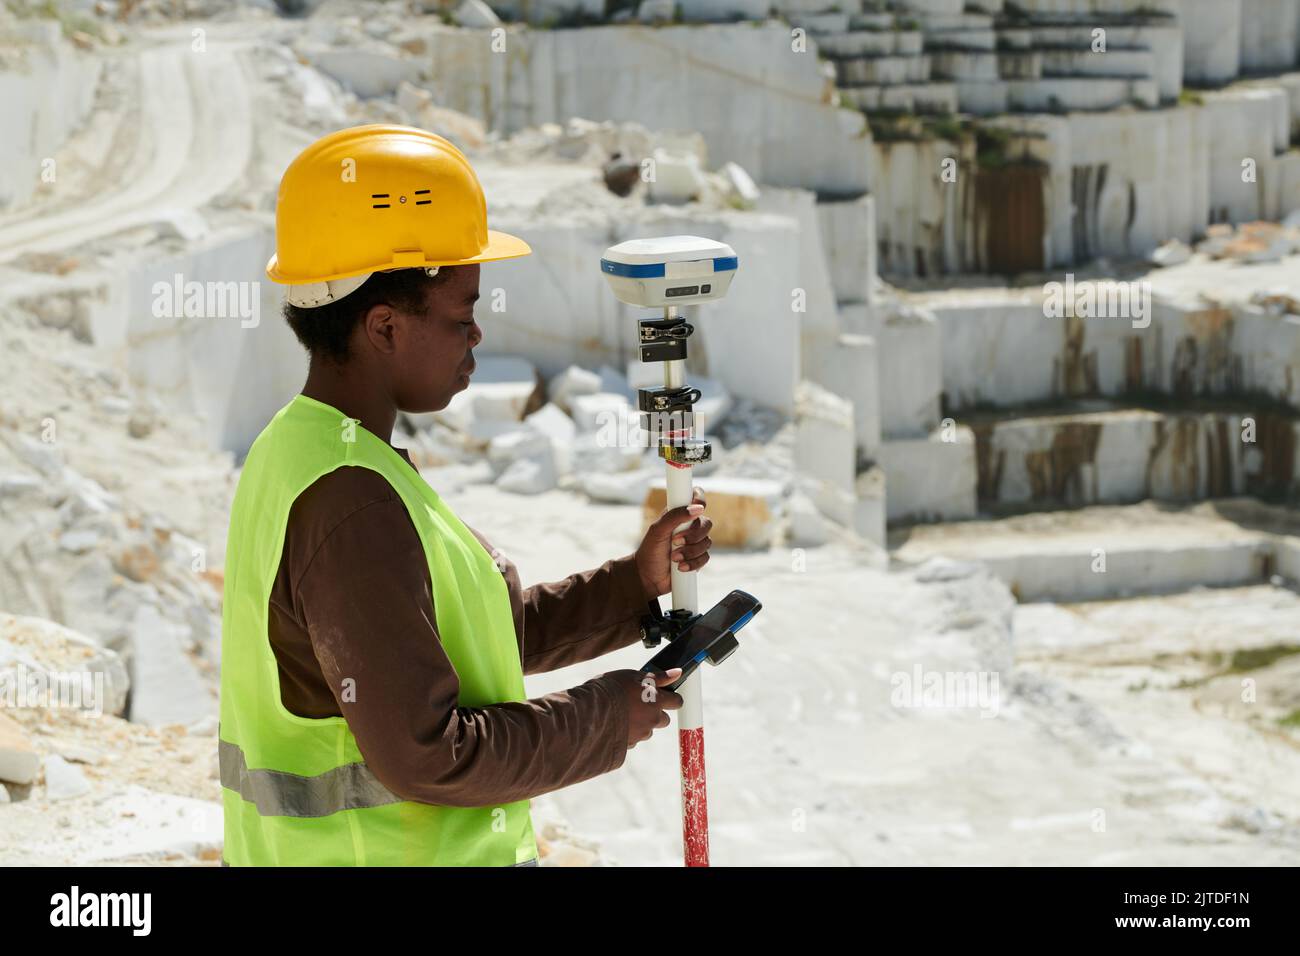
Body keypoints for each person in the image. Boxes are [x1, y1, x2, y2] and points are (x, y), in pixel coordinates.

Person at [218, 125, 713, 866]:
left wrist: (629, 588)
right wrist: (606, 716)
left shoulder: (308, 447)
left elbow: (458, 640)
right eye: (460, 312)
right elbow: (429, 756)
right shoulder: (350, 500)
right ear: (383, 324)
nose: (477, 334)